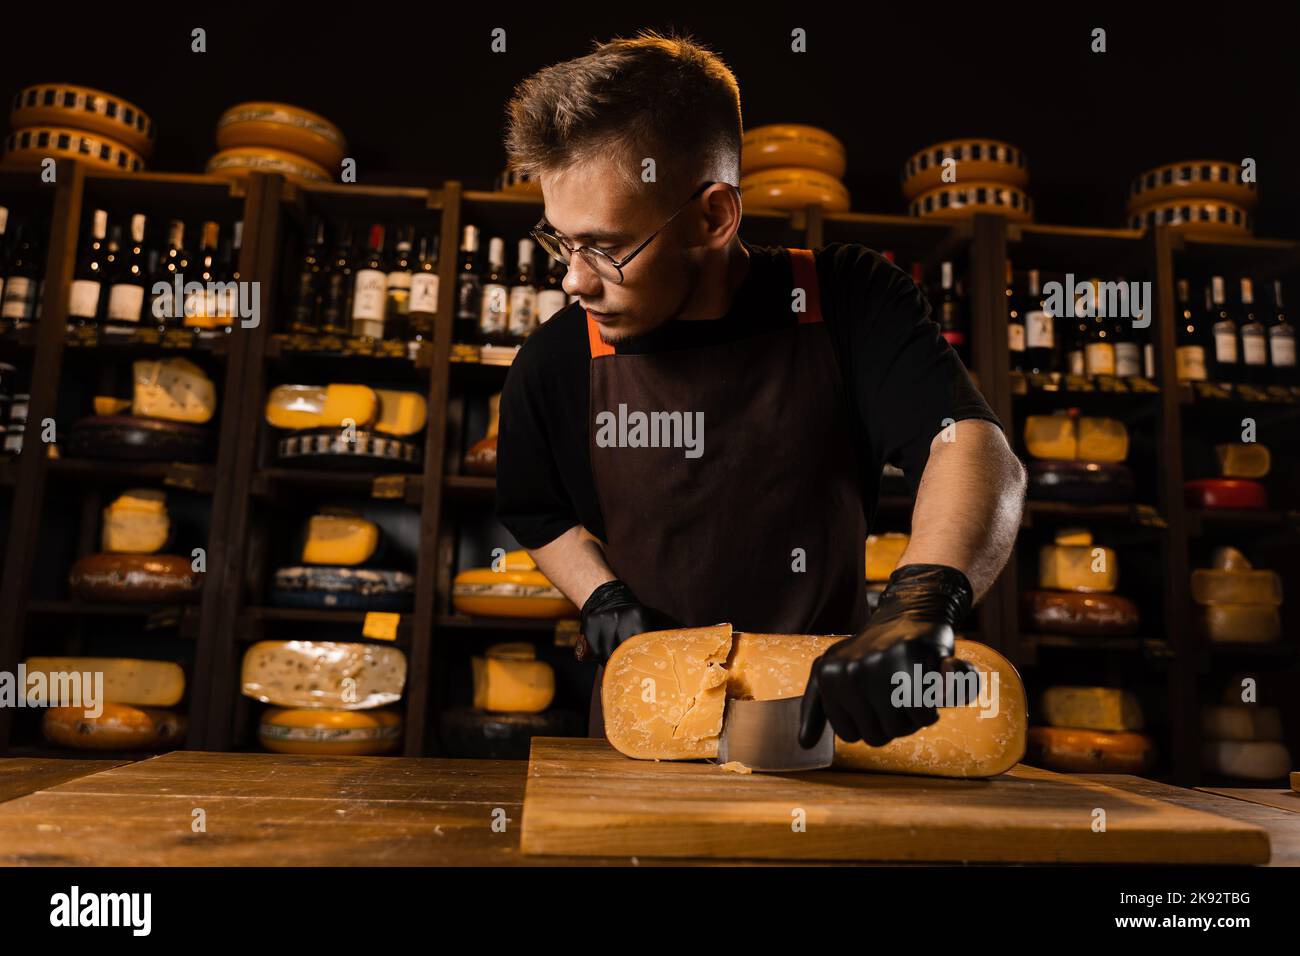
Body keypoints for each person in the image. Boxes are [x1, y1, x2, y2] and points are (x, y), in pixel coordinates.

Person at [495, 29, 1026, 752]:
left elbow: (968, 444)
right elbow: (533, 506)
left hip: (836, 721)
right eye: (561, 241)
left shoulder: (846, 299)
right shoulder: (559, 355)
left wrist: (922, 601)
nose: (574, 279)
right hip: (649, 726)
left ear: (713, 216)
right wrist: (602, 596)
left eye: (608, 247)